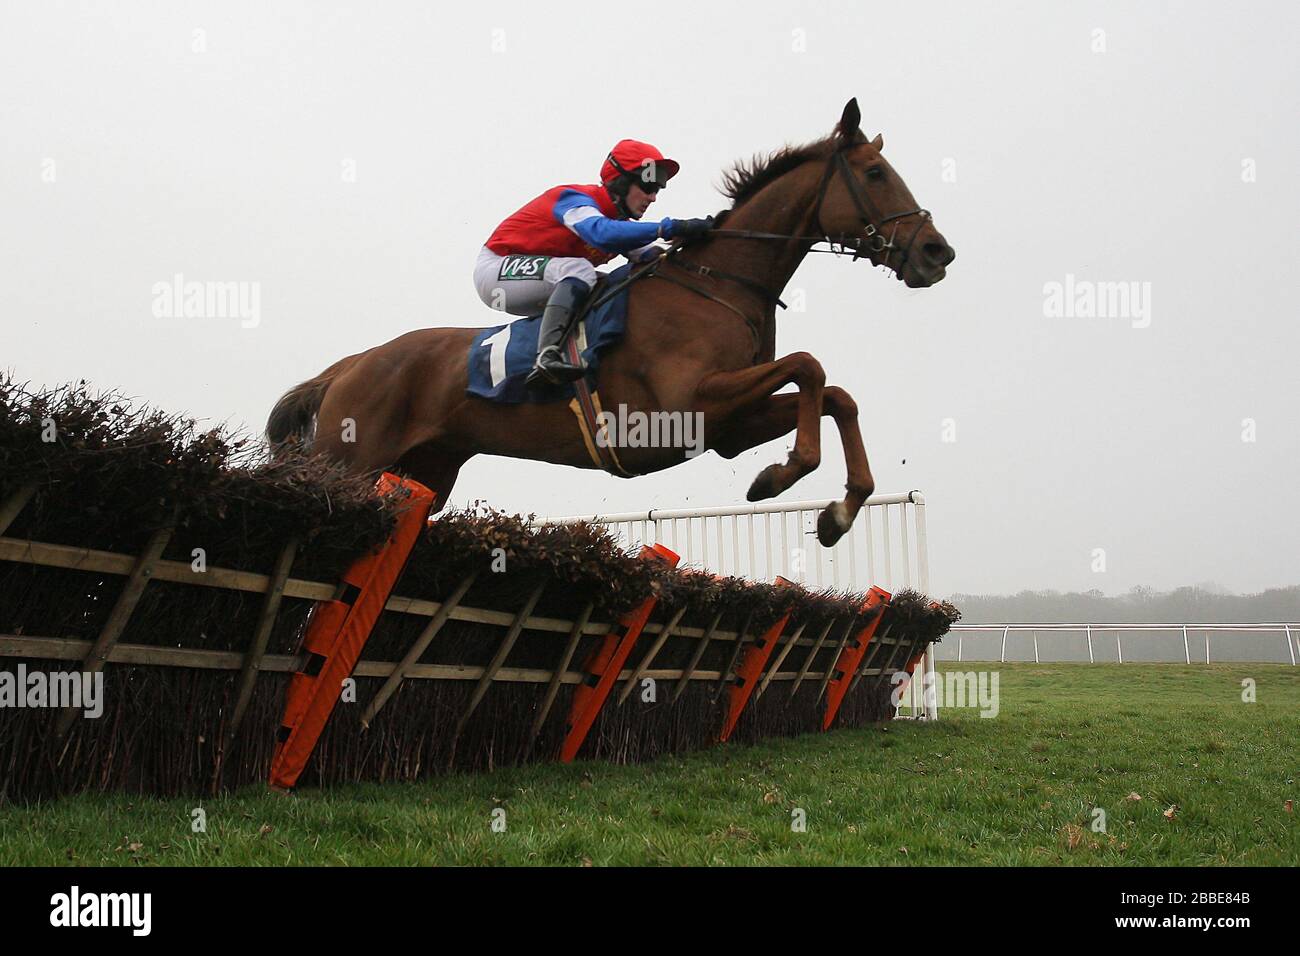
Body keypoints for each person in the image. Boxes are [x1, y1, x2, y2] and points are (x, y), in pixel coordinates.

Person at [475, 139, 714, 387]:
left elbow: (654, 258)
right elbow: (602, 233)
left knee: (608, 284)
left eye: (658, 189)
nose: (652, 197)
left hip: (538, 279)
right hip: (496, 269)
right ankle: (546, 355)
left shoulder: (618, 226)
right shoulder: (575, 199)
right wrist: (669, 227)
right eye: (647, 185)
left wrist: (705, 239)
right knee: (579, 271)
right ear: (621, 181)